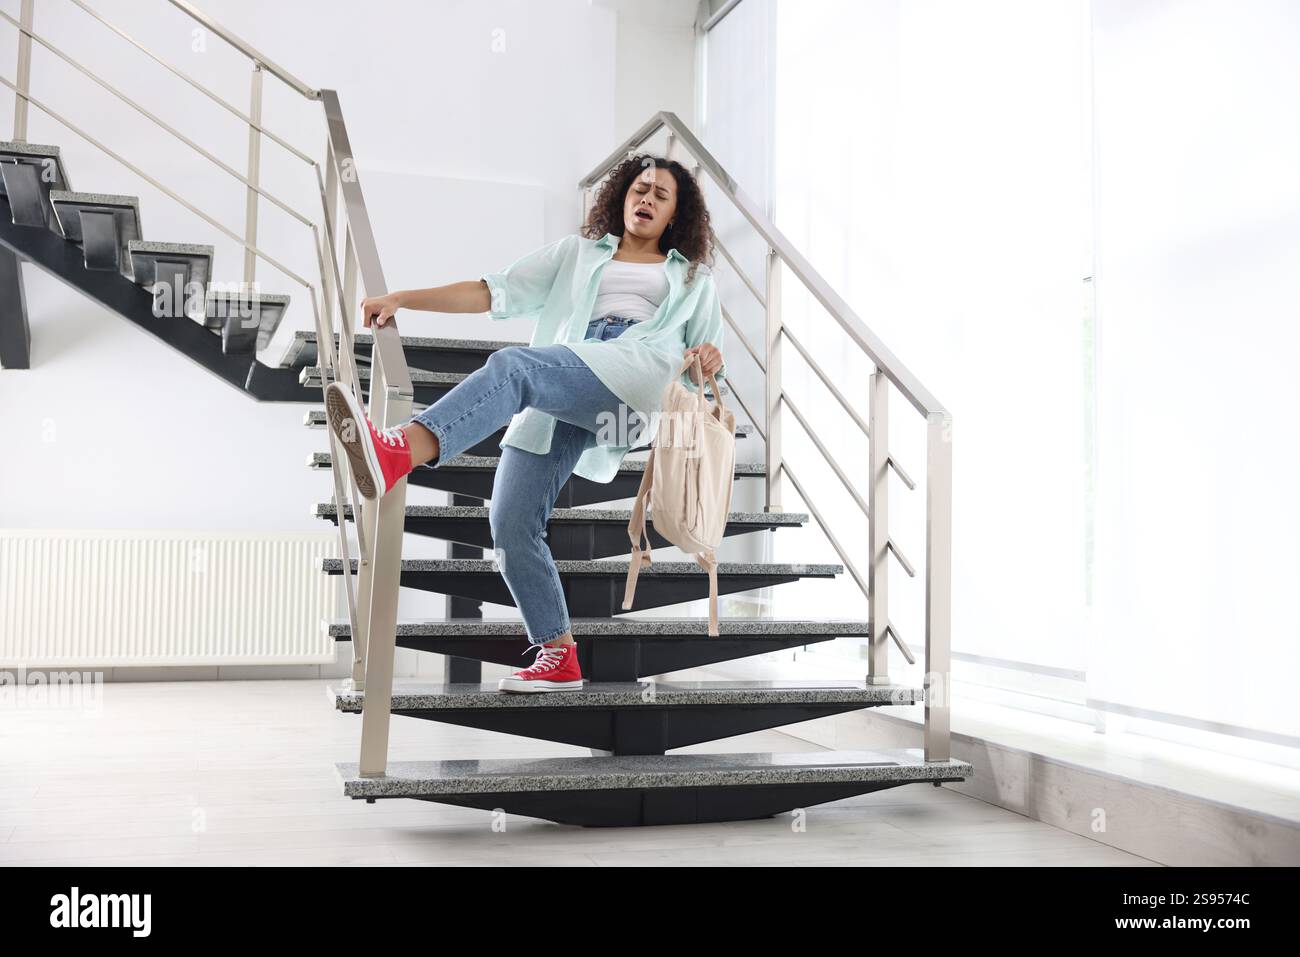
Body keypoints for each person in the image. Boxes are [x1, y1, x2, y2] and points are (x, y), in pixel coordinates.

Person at [323, 154, 728, 693]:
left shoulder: (692, 278)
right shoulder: (577, 254)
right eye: (639, 189)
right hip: (568, 375)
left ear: (676, 214)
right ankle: (558, 652)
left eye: (661, 195)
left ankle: (400, 451)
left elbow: (703, 371)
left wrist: (709, 360)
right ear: (621, 197)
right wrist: (403, 299)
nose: (647, 199)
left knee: (514, 368)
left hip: (638, 375)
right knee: (511, 526)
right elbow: (495, 291)